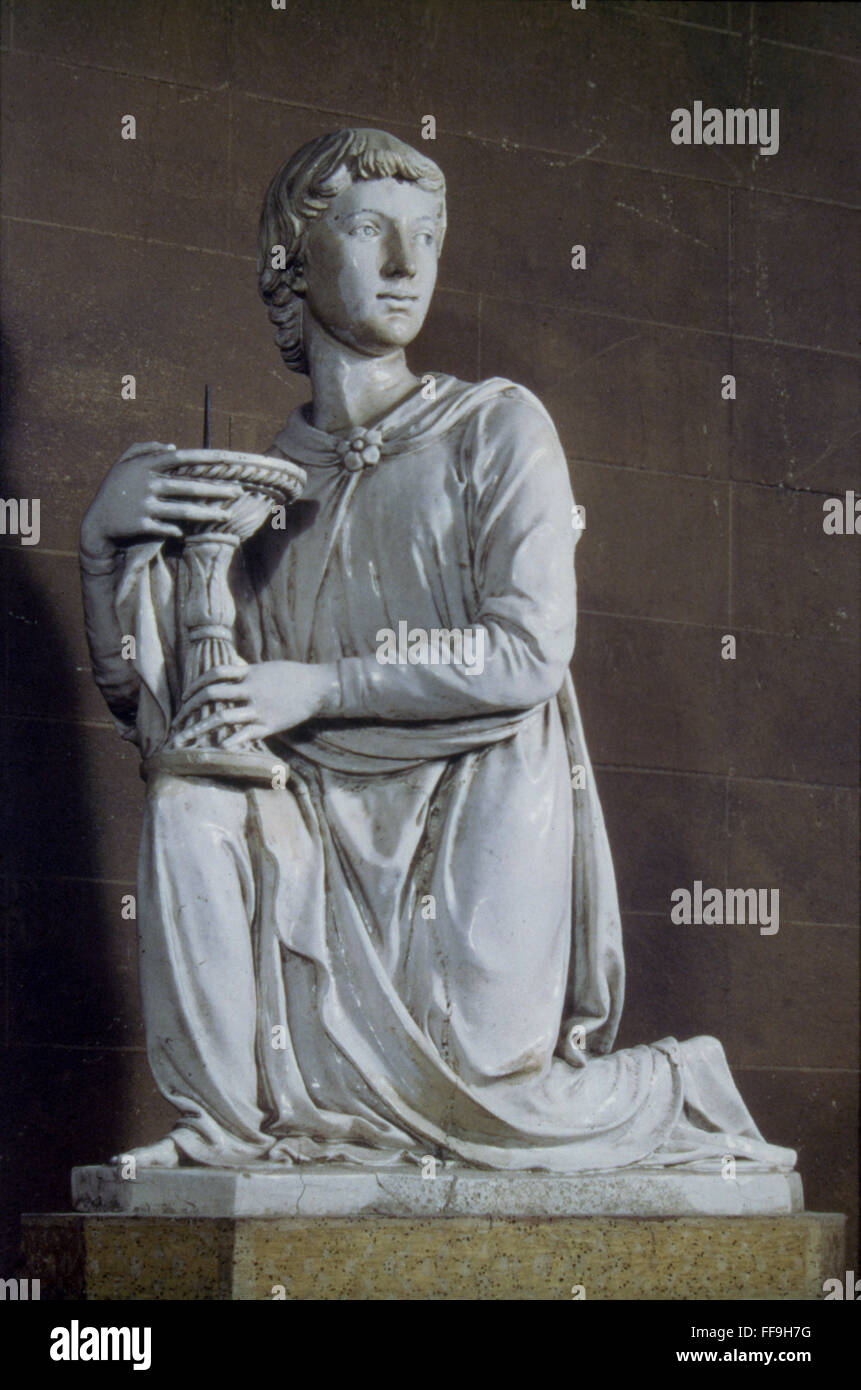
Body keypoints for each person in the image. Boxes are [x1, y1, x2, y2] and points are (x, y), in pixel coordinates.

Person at [80, 128, 795, 1172]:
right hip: (316, 814)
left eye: (426, 238)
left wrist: (316, 684)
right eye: (372, 231)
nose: (410, 267)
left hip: (479, 804)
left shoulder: (496, 428)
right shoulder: (256, 485)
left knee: (488, 1105)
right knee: (192, 805)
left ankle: (679, 1086)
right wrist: (105, 554)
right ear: (290, 261)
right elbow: (175, 728)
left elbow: (526, 653)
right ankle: (224, 1134)